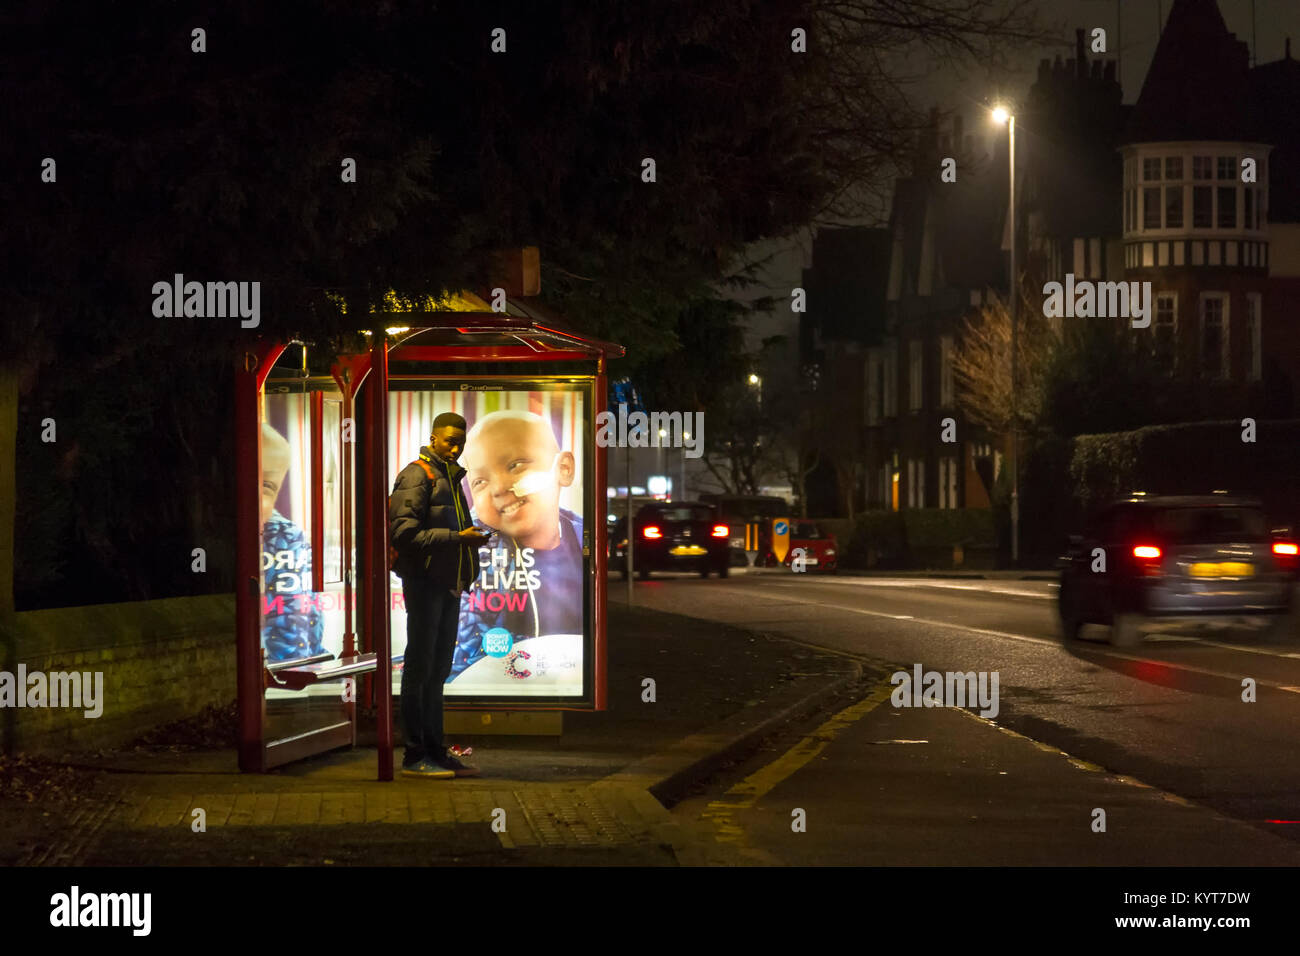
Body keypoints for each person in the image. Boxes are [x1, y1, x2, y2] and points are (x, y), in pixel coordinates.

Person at [388, 412, 491, 778]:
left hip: (448, 583)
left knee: (437, 671)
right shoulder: (418, 474)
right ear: (433, 438)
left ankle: (435, 749)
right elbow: (402, 533)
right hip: (425, 582)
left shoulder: (450, 475)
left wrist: (465, 541)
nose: (455, 447)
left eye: (460, 442)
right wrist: (458, 539)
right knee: (420, 669)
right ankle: (415, 755)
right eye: (449, 440)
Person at [452, 409, 584, 680]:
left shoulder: (583, 537)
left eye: (515, 465)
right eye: (479, 481)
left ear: (563, 469)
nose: (498, 488)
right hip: (498, 677)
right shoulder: (476, 552)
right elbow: (463, 642)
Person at [260, 423, 326, 663]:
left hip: (287, 660)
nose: (254, 495)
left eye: (267, 487)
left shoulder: (285, 537)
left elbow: (295, 619)